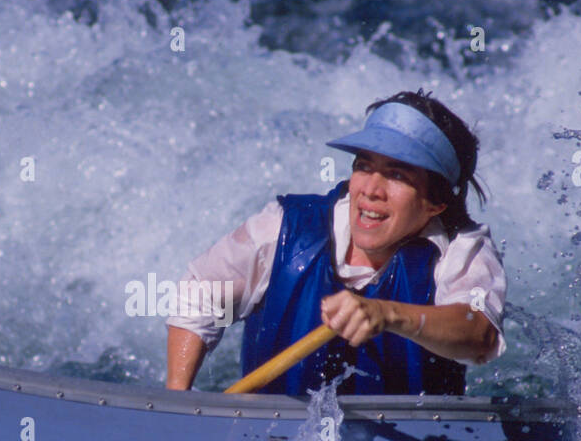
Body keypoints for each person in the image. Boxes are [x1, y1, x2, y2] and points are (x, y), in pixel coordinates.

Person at [165, 89, 505, 395]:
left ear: (437, 203)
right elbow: (199, 295)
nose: (370, 190)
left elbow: (480, 337)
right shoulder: (283, 227)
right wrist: (179, 397)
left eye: (397, 175)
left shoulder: (463, 250)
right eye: (363, 166)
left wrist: (388, 314)